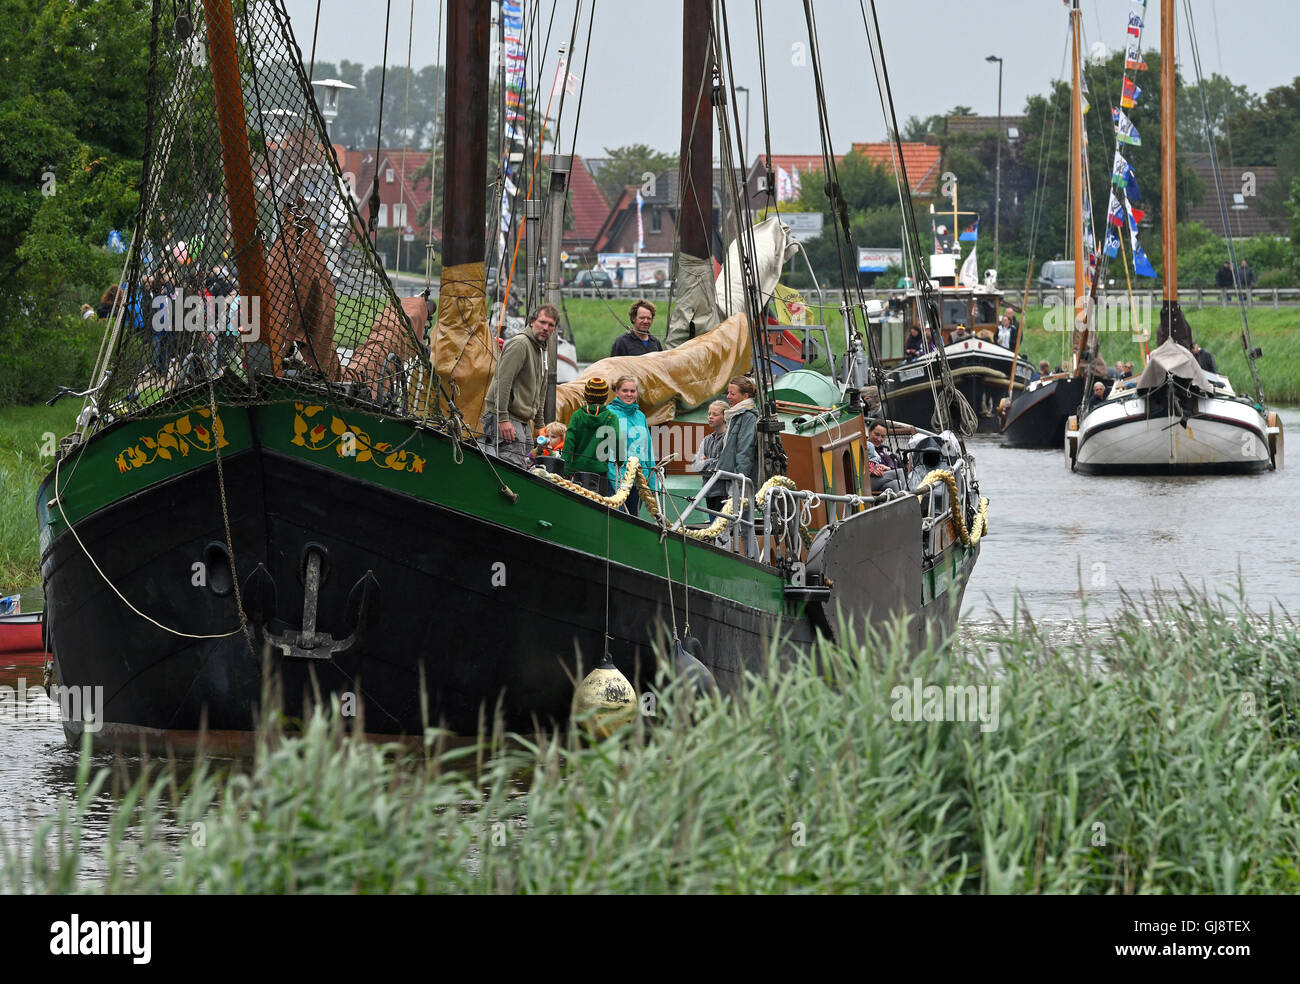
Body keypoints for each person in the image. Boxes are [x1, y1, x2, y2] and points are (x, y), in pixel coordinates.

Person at [481, 304, 558, 469]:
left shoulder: (542, 351)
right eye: (542, 322)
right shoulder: (520, 344)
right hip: (506, 416)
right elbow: (503, 381)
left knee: (528, 468)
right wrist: (503, 418)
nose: (546, 328)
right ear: (531, 322)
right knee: (513, 470)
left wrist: (539, 426)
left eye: (551, 325)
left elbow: (540, 391)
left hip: (522, 420)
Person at [608, 375, 658, 516]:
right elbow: (606, 452)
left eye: (632, 391)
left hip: (639, 480)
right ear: (616, 392)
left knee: (633, 519)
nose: (629, 394)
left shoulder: (640, 416)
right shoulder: (610, 414)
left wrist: (653, 484)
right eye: (625, 390)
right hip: (616, 479)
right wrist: (617, 483)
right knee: (618, 519)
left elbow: (647, 450)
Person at [563, 376, 618, 494]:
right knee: (599, 506)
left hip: (578, 473)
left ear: (585, 396)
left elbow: (569, 443)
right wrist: (620, 460)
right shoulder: (611, 417)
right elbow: (617, 440)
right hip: (600, 473)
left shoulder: (577, 415)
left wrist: (566, 469)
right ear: (606, 397)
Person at [716, 376, 759, 506]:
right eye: (728, 393)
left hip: (740, 480)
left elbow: (745, 450)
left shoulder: (748, 417)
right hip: (732, 478)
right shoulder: (735, 415)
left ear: (745, 396)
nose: (728, 397)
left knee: (739, 518)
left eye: (732, 394)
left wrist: (740, 482)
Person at [692, 400, 728, 515]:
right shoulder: (707, 439)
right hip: (708, 492)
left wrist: (705, 461)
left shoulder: (728, 439)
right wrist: (710, 463)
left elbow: (722, 465)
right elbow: (695, 465)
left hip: (722, 492)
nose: (710, 417)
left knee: (720, 527)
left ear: (724, 417)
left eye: (715, 414)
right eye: (709, 414)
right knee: (712, 526)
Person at [867, 420, 906, 494]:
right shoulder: (863, 447)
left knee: (896, 483)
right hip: (866, 482)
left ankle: (899, 504)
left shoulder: (885, 455)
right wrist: (871, 470)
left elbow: (892, 467)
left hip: (881, 482)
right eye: (877, 434)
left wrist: (886, 468)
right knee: (900, 472)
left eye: (882, 436)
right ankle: (907, 499)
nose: (879, 439)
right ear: (869, 431)